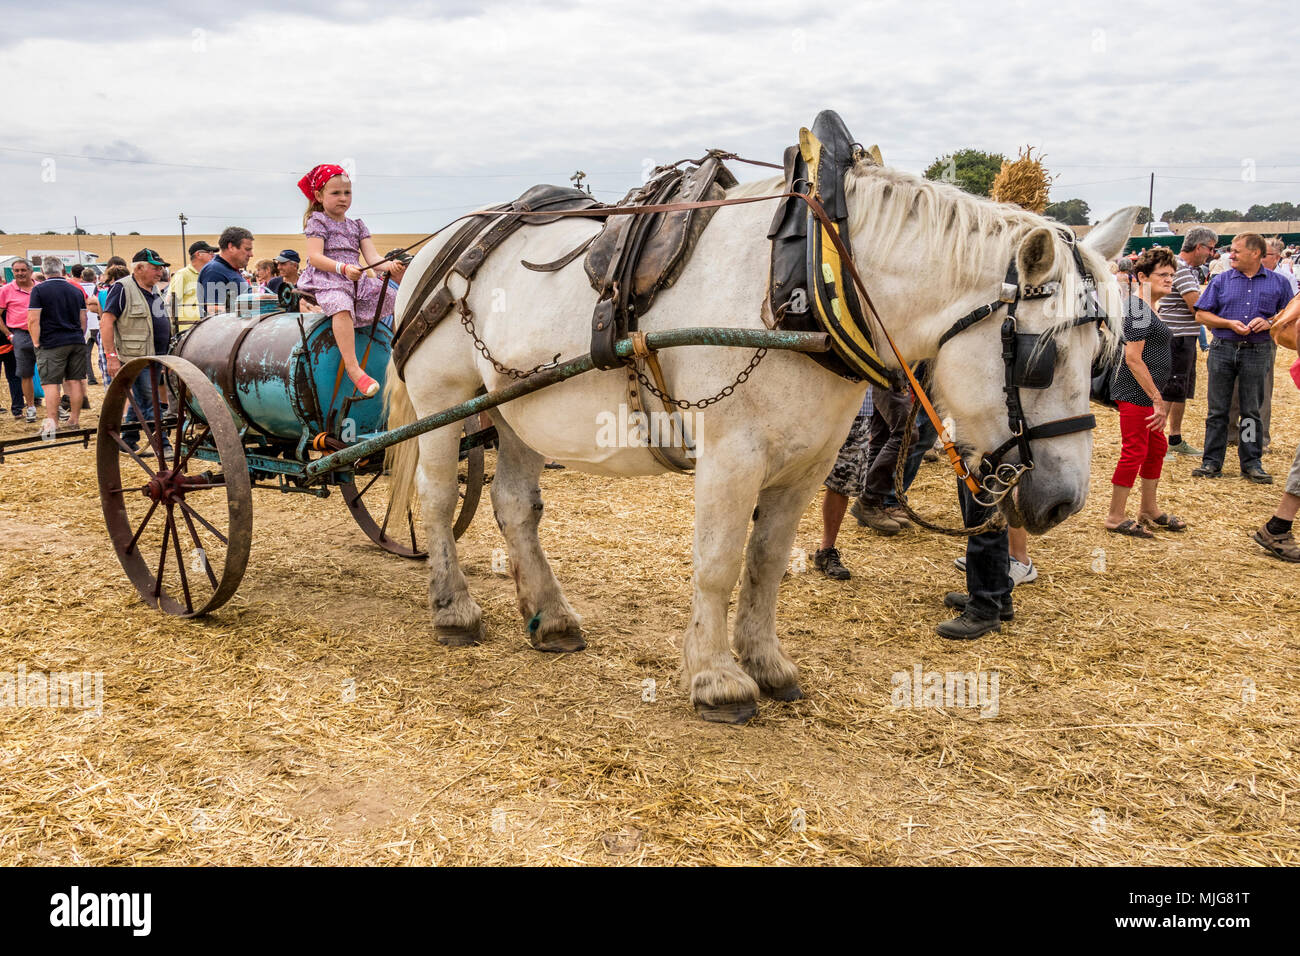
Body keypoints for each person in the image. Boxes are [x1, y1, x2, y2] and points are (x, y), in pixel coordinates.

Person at [294, 164, 405, 397]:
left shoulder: (357, 225)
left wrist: (390, 265)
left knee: (395, 297)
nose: (343, 198)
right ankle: (354, 369)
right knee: (341, 304)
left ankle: (399, 350)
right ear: (319, 196)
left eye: (347, 193)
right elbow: (314, 257)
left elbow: (372, 258)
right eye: (335, 193)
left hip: (355, 279)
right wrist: (342, 268)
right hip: (328, 279)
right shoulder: (318, 221)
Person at [1192, 233, 1293, 483]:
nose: (1231, 255)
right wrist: (1227, 323)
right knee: (1218, 410)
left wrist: (1269, 321)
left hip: (1258, 351)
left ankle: (1250, 463)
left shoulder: (1278, 283)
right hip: (1223, 348)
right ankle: (1211, 462)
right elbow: (1201, 315)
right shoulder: (1221, 281)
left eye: (1236, 251)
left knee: (1251, 411)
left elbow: (1289, 314)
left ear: (1256, 253)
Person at [1105, 247, 1183, 538]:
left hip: (1146, 393)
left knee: (1157, 448)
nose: (1169, 280)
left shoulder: (1149, 306)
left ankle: (1149, 509)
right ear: (1141, 277)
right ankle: (1115, 516)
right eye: (1162, 275)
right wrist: (1156, 399)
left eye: (1172, 275)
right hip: (1135, 392)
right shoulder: (1138, 308)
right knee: (1134, 450)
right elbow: (1132, 358)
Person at [102, 250, 171, 452]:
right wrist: (111, 356)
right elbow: (107, 322)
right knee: (151, 400)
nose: (160, 273)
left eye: (161, 268)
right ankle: (162, 444)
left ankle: (128, 439)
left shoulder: (154, 290)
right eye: (155, 268)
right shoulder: (122, 288)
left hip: (156, 355)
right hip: (136, 358)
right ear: (139, 268)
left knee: (141, 398)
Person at [1156, 228, 1216, 459]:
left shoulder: (1186, 269)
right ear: (1199, 247)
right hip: (1177, 337)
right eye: (1209, 248)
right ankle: (1159, 442)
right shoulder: (1181, 269)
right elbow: (1197, 306)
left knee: (1180, 390)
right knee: (1169, 391)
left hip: (1185, 336)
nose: (1211, 254)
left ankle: (1175, 438)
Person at [26, 255, 88, 434]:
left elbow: (33, 319)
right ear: (62, 270)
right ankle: (74, 420)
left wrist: (36, 341)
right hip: (75, 340)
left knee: (51, 384)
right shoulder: (75, 290)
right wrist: (78, 335)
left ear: (43, 271)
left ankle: (52, 423)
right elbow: (82, 319)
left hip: (51, 343)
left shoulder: (39, 290)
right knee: (75, 381)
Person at [814, 390, 872, 579]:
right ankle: (772, 555)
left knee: (843, 482)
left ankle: (826, 551)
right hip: (811, 400)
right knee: (786, 479)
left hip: (858, 406)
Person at [850, 377, 915, 534]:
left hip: (882, 373)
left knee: (883, 435)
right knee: (906, 434)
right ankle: (869, 501)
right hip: (889, 371)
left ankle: (872, 504)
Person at [0, 259, 39, 422]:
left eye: (23, 270)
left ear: (30, 271)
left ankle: (54, 405)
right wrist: (9, 335)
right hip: (19, 335)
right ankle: (27, 408)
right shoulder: (6, 290)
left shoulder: (40, 288)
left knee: (49, 373)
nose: (20, 273)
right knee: (24, 374)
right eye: (16, 271)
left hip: (42, 334)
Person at [198, 226, 254, 316]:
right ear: (231, 247)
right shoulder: (214, 271)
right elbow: (214, 312)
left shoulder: (229, 269)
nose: (251, 254)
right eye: (247, 249)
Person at [168, 240, 216, 329]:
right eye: (210, 252)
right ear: (198, 254)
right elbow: (171, 303)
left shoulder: (210, 275)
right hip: (187, 331)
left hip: (208, 328)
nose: (213, 255)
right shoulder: (182, 275)